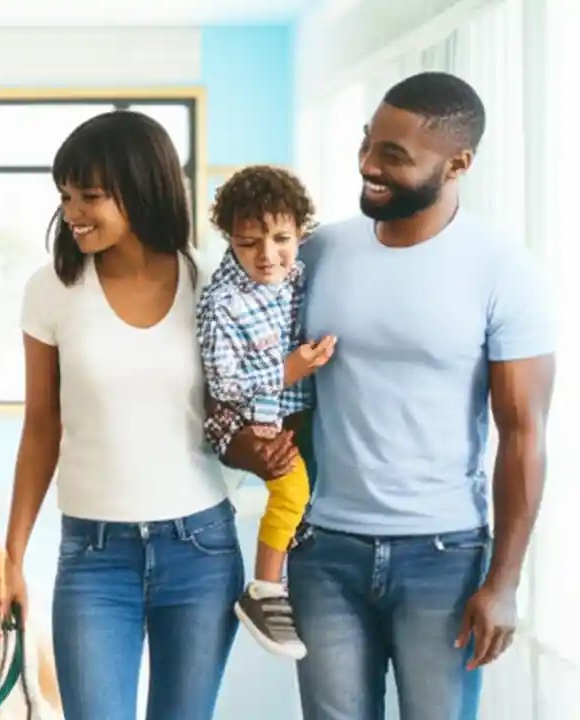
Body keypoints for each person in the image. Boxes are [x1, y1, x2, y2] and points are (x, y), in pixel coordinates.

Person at [225, 72, 554, 719]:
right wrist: (244, 444)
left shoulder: (502, 269)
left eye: (394, 156)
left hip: (443, 558)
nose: (369, 166)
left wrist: (505, 583)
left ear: (459, 163)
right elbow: (259, 373)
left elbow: (524, 433)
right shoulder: (317, 253)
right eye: (368, 144)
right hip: (324, 551)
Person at [0, 110, 290, 720]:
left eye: (91, 196)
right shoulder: (51, 289)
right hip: (93, 556)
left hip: (200, 550)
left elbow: (231, 410)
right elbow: (40, 428)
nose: (72, 211)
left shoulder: (209, 283)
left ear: (141, 188)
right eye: (66, 195)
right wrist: (13, 556)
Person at [196, 165, 336, 660]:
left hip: (293, 413)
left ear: (301, 232)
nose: (267, 255)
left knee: (311, 490)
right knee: (292, 488)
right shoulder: (223, 303)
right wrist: (289, 370)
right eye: (249, 243)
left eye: (281, 238)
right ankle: (264, 591)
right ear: (230, 240)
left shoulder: (297, 277)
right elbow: (225, 385)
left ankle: (293, 572)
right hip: (245, 419)